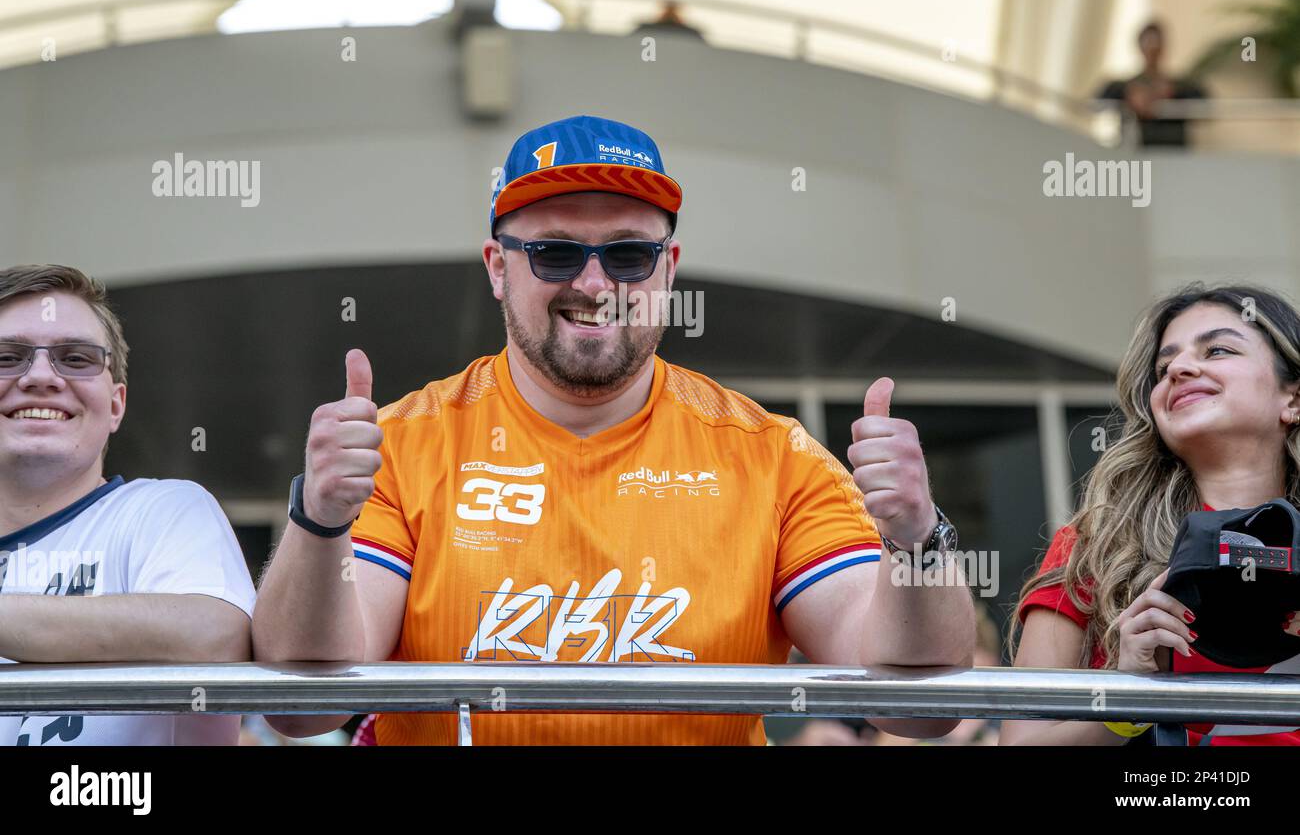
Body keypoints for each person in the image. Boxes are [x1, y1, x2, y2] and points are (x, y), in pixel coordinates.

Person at [253, 114, 974, 745]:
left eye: (629, 253)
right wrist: (318, 521)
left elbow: (916, 709)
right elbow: (304, 706)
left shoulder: (773, 458)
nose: (596, 285)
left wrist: (916, 538)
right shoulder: (405, 444)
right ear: (497, 267)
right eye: (555, 252)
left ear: (669, 271)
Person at [1004, 283, 1300, 745]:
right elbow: (1018, 744)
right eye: (1164, 368)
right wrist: (1130, 697)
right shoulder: (1097, 544)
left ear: (1293, 399)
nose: (1180, 369)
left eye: (1218, 350)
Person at [0, 265, 255, 746]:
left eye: (75, 358)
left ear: (116, 405)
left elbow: (215, 637)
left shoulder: (165, 510)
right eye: (6, 357)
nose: (39, 377)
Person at [1096, 20, 1207, 148]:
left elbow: (1205, 108)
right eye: (1148, 42)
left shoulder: (1182, 86)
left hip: (1173, 154)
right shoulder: (1122, 87)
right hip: (1135, 154)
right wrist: (1129, 96)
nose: (1152, 48)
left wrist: (1171, 92)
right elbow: (1097, 104)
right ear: (1140, 47)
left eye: (1156, 42)